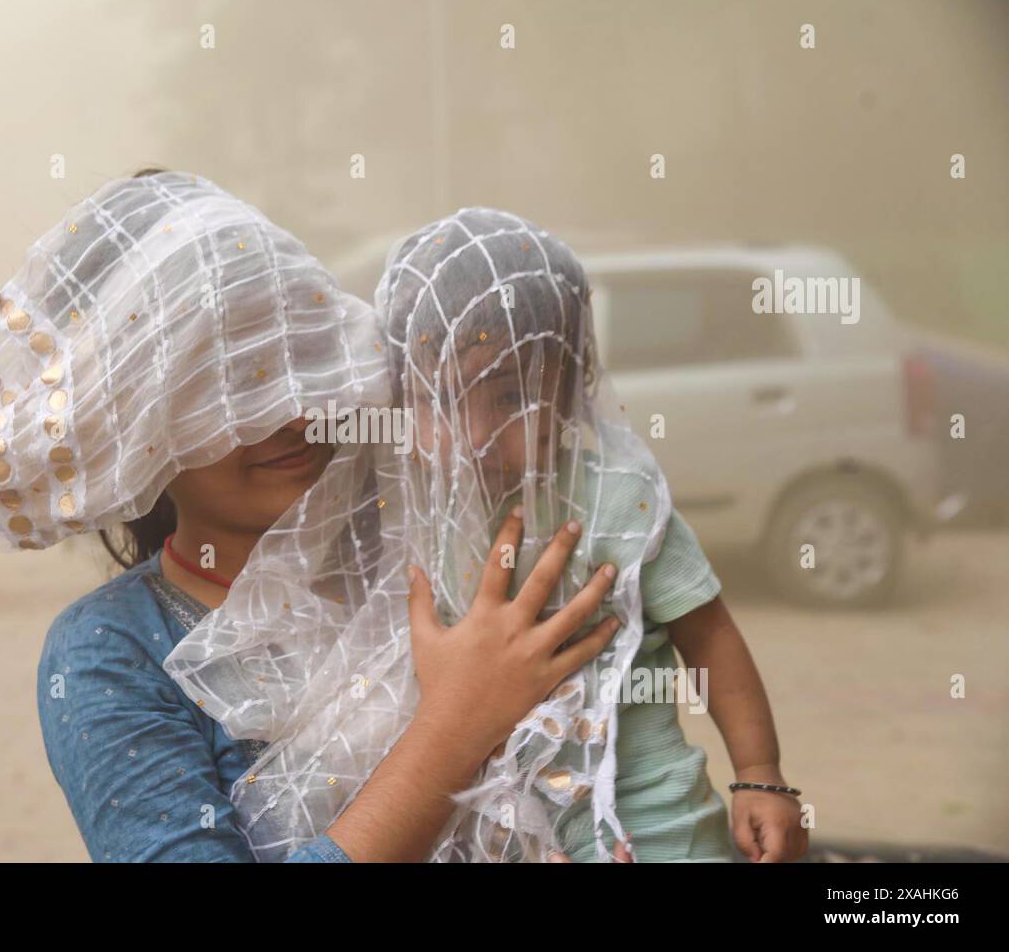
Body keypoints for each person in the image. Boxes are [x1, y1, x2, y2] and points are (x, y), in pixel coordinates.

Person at [0, 170, 621, 862]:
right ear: (142, 427)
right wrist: (453, 728)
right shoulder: (111, 652)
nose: (292, 414)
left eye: (304, 359)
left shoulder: (443, 552)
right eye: (234, 386)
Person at [170, 208, 807, 863]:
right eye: (439, 400)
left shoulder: (620, 499)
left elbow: (712, 635)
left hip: (649, 819)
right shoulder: (400, 514)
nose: (474, 435)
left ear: (570, 387)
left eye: (509, 398)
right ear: (397, 397)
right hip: (494, 831)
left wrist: (760, 774)